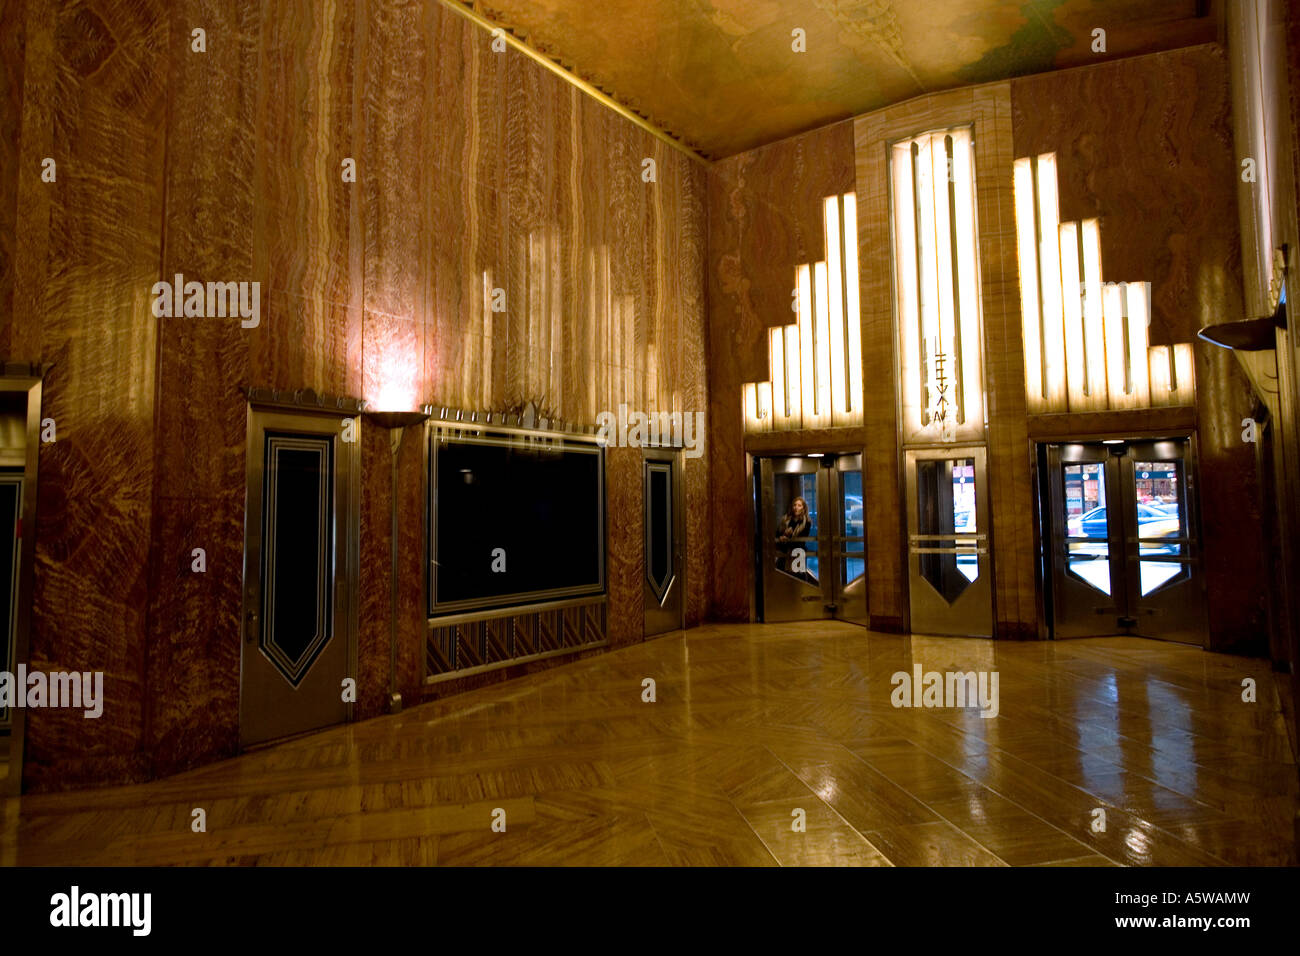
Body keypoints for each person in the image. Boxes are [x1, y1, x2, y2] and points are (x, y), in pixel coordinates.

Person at [775, 496, 817, 582]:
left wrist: (787, 539)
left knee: (798, 579)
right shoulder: (785, 519)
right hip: (785, 553)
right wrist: (782, 536)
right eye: (795, 505)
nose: (796, 507)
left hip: (798, 553)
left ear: (803, 508)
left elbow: (801, 541)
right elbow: (777, 534)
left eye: (799, 505)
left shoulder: (806, 522)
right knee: (783, 578)